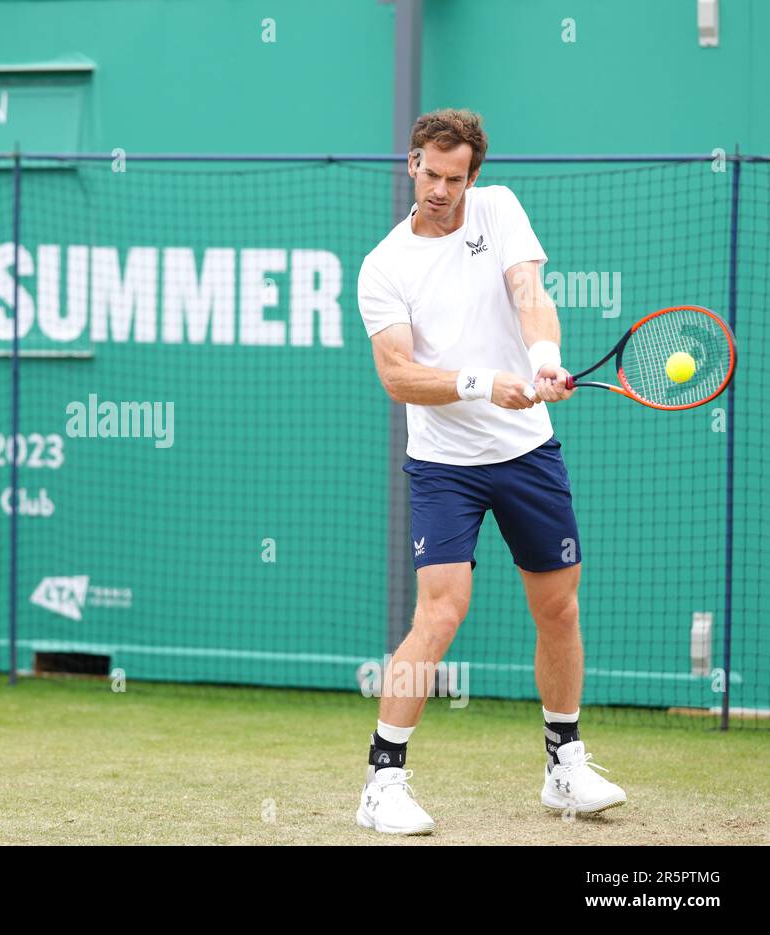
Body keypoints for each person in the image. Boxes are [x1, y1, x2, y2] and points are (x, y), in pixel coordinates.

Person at [354, 108, 627, 835]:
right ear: (412, 163)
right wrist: (483, 383)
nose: (440, 189)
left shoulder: (499, 209)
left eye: (454, 177)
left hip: (528, 449)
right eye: (429, 173)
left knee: (558, 607)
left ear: (472, 175)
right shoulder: (384, 267)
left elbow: (529, 294)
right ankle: (383, 780)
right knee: (440, 611)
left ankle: (564, 766)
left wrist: (540, 359)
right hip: (444, 463)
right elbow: (400, 376)